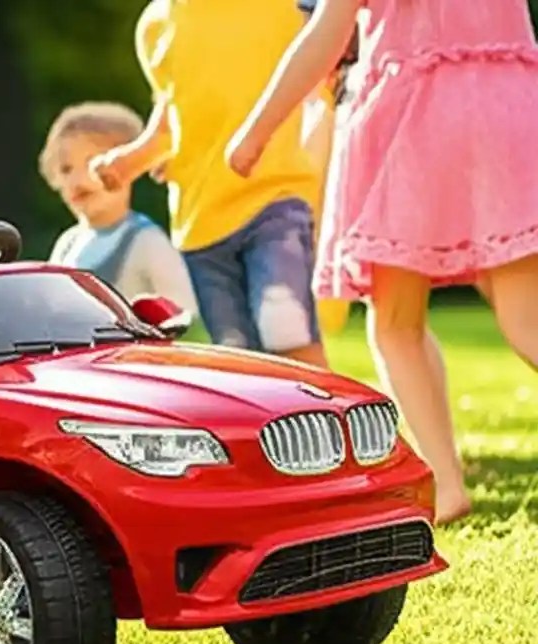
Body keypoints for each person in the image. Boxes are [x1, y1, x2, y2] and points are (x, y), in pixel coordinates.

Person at [226, 0, 538, 524]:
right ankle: (444, 482)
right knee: (526, 316)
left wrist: (256, 131)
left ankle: (445, 483)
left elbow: (325, 36)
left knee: (396, 323)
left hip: (413, 122)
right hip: (513, 108)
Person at [92, 0, 331, 368]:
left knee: (285, 326)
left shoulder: (284, 7)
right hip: (201, 222)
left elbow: (323, 76)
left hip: (276, 197)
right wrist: (131, 160)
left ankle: (330, 404)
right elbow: (170, 120)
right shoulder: (156, 25)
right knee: (239, 358)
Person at [39, 102, 198, 316]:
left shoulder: (146, 241)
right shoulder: (67, 245)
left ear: (129, 165)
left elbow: (186, 314)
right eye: (66, 169)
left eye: (92, 163)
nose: (76, 180)